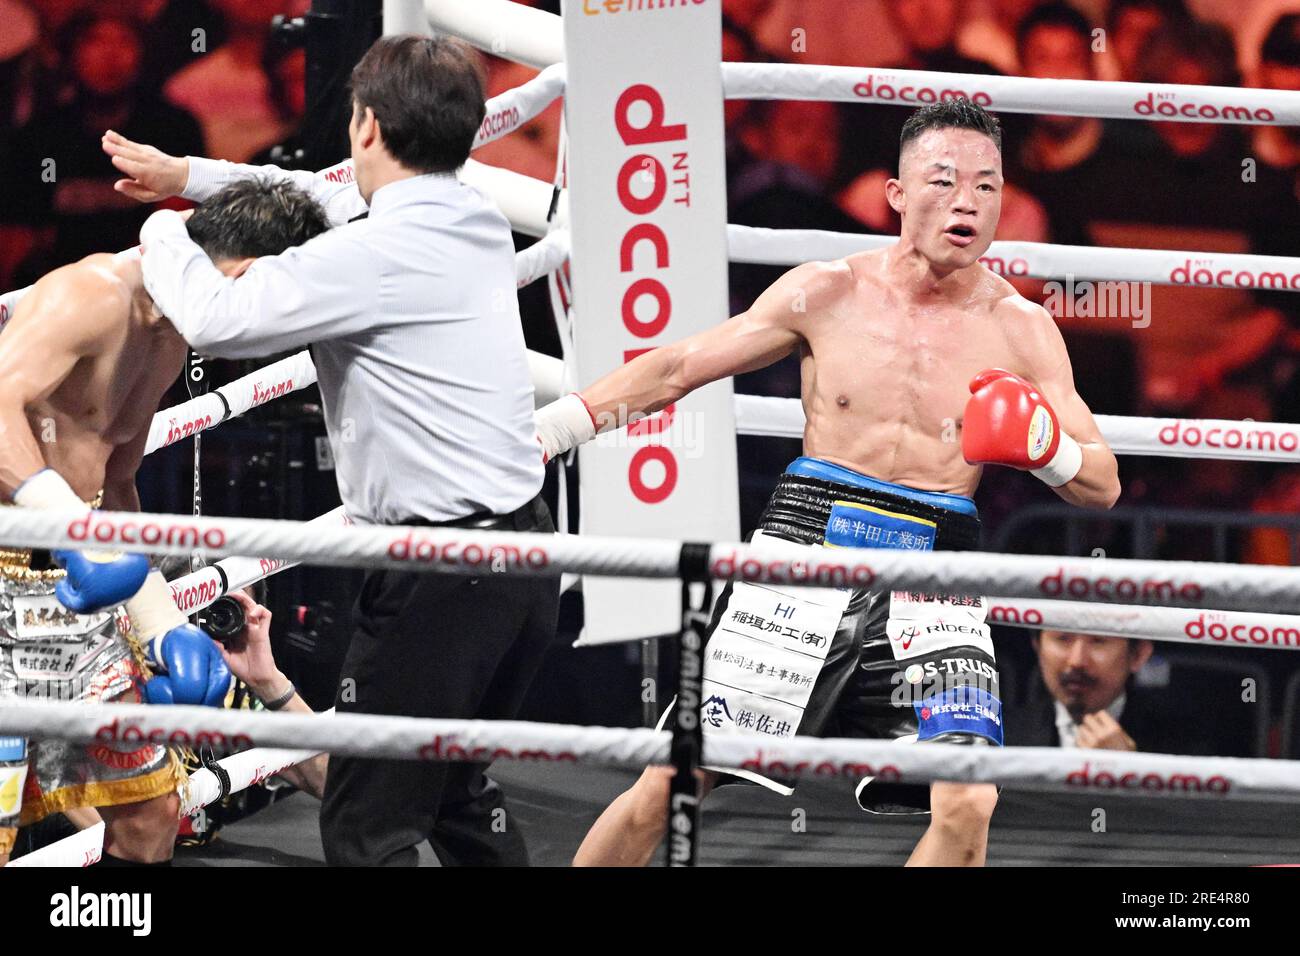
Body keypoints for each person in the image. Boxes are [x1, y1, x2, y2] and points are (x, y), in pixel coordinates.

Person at [536, 98, 1121, 867]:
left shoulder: (1021, 327)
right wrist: (557, 429)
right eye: (943, 182)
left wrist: (1047, 448)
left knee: (970, 800)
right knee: (670, 783)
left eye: (987, 186)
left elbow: (1103, 484)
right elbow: (679, 367)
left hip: (933, 572)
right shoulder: (828, 291)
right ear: (897, 194)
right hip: (806, 544)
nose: (967, 203)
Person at [119, 34, 559, 867]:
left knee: (367, 826)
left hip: (443, 580)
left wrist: (161, 230)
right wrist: (192, 178)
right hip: (520, 563)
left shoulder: (374, 254)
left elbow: (217, 317)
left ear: (363, 128)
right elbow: (322, 198)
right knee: (456, 796)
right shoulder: (471, 220)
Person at [0, 176, 331, 866]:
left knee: (151, 815)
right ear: (244, 273)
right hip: (11, 566)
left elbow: (115, 479)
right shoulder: (89, 296)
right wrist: (68, 526)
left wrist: (159, 622)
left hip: (78, 588)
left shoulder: (172, 337)